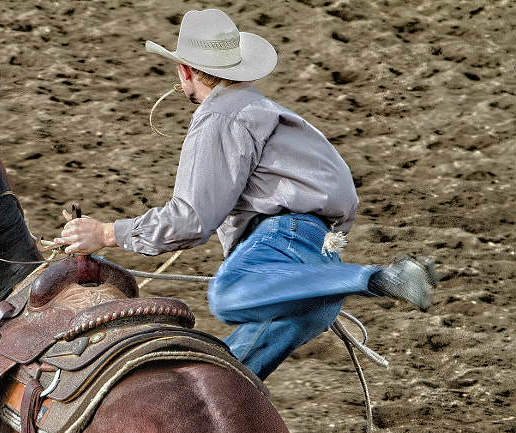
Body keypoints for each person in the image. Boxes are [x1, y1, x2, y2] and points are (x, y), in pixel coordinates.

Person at [52, 8, 439, 380]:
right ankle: (358, 280)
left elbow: (191, 219)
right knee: (221, 382)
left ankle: (378, 278)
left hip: (287, 247)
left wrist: (104, 234)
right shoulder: (261, 109)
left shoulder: (220, 115)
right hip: (313, 262)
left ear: (185, 71)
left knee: (226, 295)